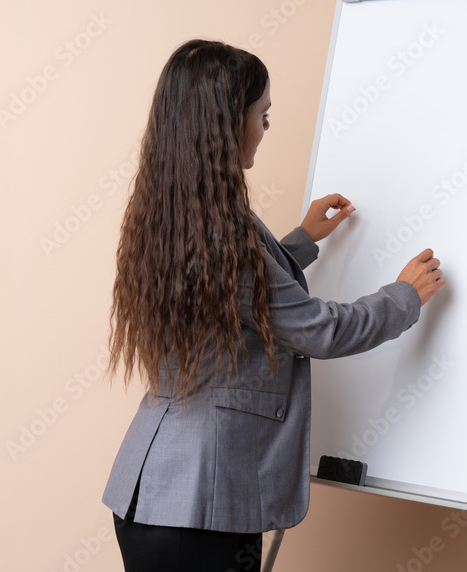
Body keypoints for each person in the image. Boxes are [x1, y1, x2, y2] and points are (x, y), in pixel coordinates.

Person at [101, 39, 445, 571]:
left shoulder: (174, 212)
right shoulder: (223, 233)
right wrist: (404, 295)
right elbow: (321, 330)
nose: (266, 126)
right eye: (261, 115)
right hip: (198, 508)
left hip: (160, 494)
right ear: (225, 123)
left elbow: (232, 290)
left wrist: (302, 241)